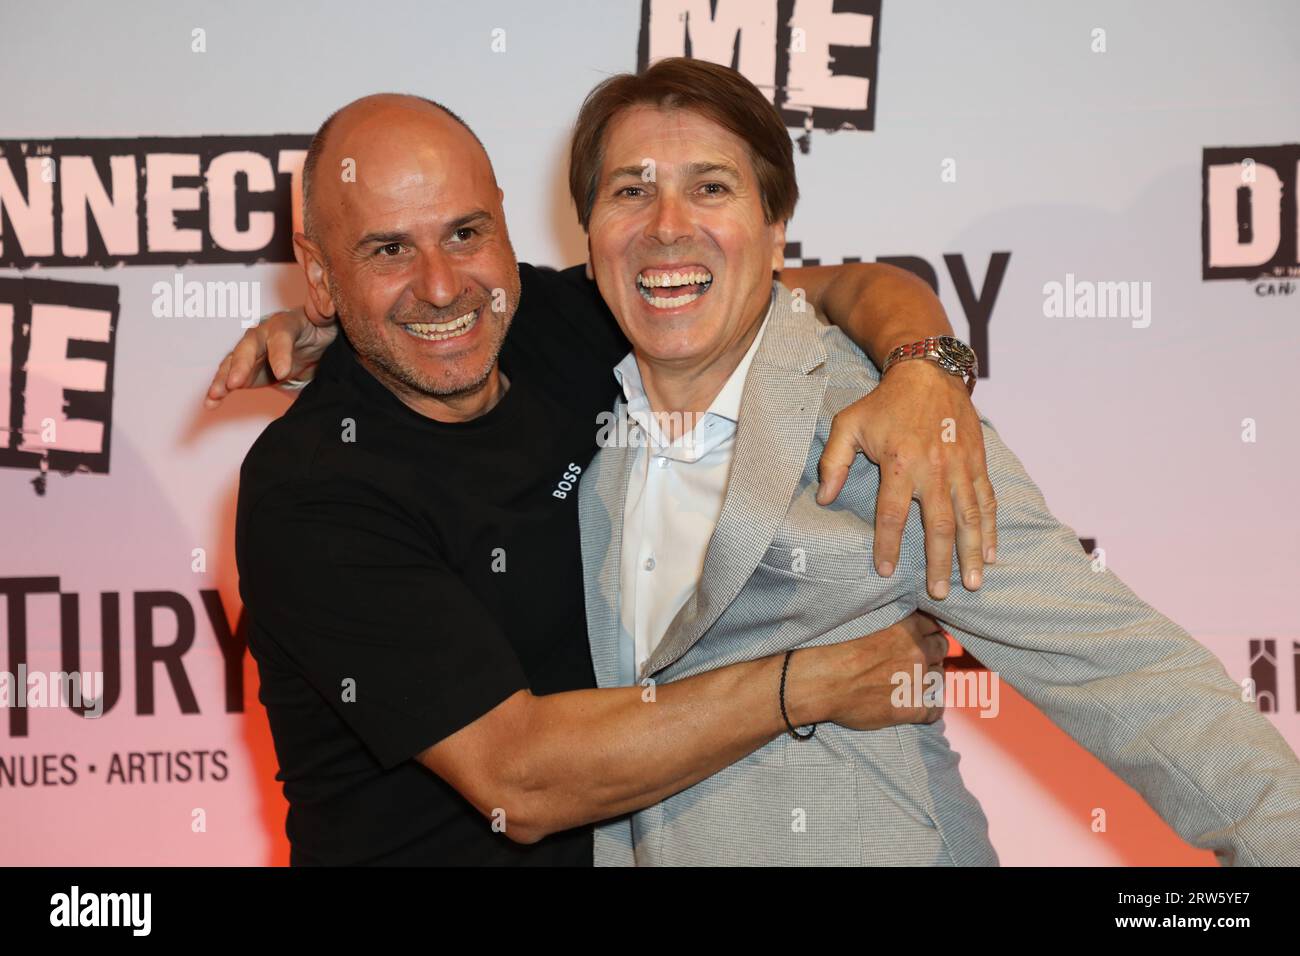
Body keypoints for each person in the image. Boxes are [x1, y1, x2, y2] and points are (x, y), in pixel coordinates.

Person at [221, 91, 994, 865]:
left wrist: (927, 369)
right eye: (387, 250)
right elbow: (519, 780)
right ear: (318, 276)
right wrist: (812, 683)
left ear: (502, 222)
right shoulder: (310, 490)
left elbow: (834, 288)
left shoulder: (554, 322)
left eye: (465, 233)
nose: (440, 284)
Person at [569, 58, 1300, 865]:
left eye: (711, 188)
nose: (668, 224)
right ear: (590, 229)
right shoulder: (564, 419)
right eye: (630, 191)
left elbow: (1118, 666)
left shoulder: (888, 426)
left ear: (776, 227)